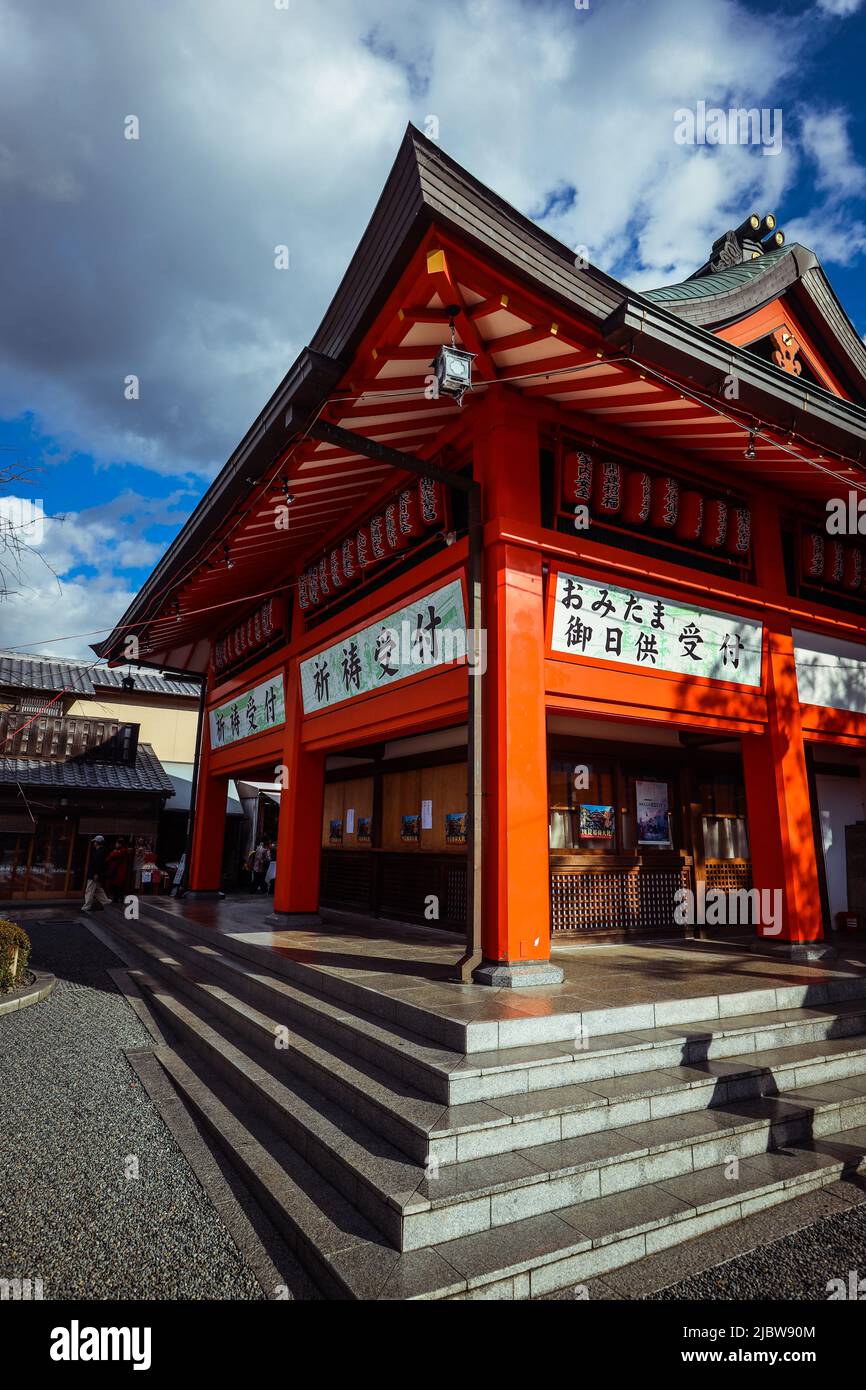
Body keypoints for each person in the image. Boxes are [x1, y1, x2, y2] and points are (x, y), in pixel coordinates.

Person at [81, 835, 110, 912]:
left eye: (95, 842)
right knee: (97, 889)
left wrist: (96, 873)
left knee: (89, 890)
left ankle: (86, 906)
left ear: (98, 842)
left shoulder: (99, 852)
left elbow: (98, 864)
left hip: (94, 874)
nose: (94, 843)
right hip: (96, 873)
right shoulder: (101, 851)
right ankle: (106, 901)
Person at [105, 837, 131, 904]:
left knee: (118, 885)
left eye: (117, 843)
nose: (116, 845)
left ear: (120, 844)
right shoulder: (121, 850)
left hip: (118, 870)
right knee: (116, 885)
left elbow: (112, 855)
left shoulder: (122, 851)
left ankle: (118, 898)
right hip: (116, 870)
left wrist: (114, 852)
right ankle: (117, 898)